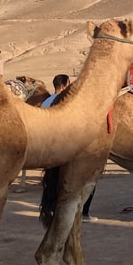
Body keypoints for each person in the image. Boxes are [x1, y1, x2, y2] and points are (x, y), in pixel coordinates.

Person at [40, 74, 96, 221]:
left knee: (51, 180)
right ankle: (83, 213)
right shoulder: (67, 102)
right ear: (66, 84)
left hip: (49, 146)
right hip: (66, 145)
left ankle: (50, 209)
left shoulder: (46, 102)